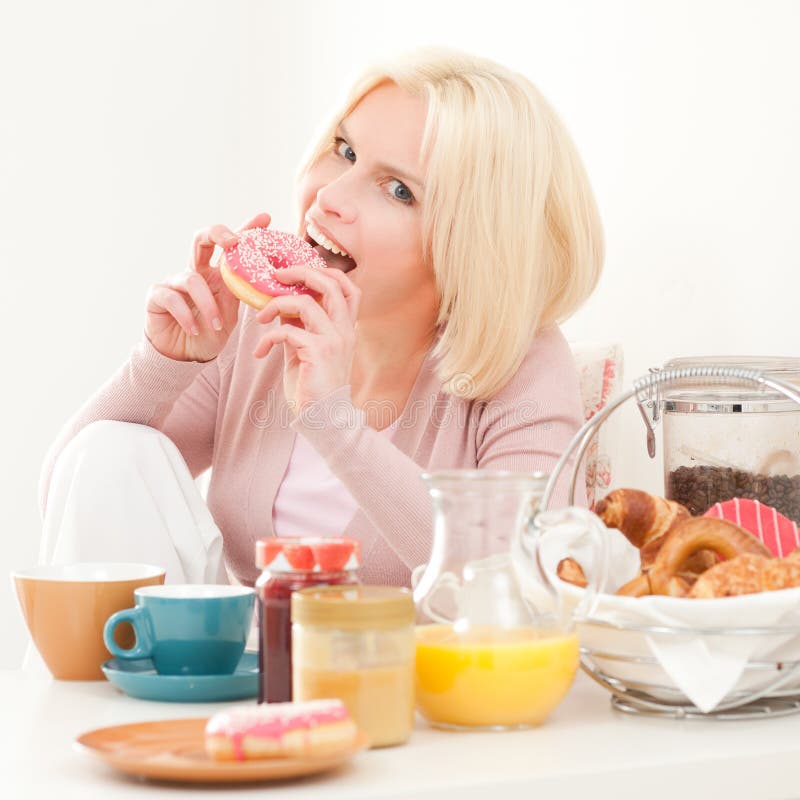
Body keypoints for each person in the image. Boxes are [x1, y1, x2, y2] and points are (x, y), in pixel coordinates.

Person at [38, 46, 604, 588]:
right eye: (346, 151)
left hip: (410, 658)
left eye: (399, 190)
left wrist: (335, 423)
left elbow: (528, 583)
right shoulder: (260, 324)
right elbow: (79, 498)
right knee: (114, 444)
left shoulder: (522, 364)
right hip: (243, 652)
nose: (331, 195)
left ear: (473, 245)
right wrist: (164, 363)